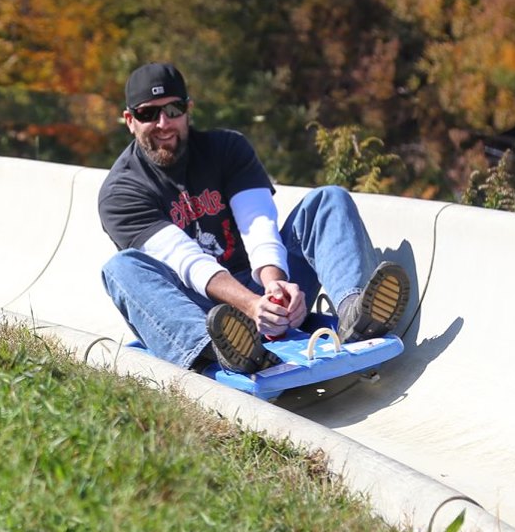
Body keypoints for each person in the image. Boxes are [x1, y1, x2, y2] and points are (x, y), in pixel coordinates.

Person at [97, 62, 409, 375]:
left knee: (329, 199)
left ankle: (356, 315)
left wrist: (276, 288)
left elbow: (258, 226)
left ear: (188, 111)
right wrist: (250, 305)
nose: (163, 123)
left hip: (259, 288)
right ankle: (221, 350)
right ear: (129, 120)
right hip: (199, 310)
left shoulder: (228, 148)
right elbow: (186, 261)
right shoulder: (120, 191)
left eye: (174, 109)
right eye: (148, 114)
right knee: (120, 268)